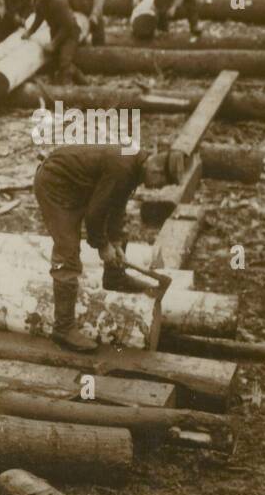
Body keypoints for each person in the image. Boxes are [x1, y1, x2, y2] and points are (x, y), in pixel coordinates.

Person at [34, 145, 177, 351]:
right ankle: (63, 329)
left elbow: (116, 204)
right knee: (68, 252)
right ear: (155, 169)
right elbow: (95, 213)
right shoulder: (124, 166)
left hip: (77, 184)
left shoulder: (136, 163)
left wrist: (116, 242)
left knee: (117, 233)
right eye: (159, 184)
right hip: (55, 185)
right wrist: (102, 246)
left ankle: (114, 278)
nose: (156, 189)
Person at [21, 0, 87, 85]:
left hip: (71, 33)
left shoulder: (58, 2)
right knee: (54, 59)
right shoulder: (39, 0)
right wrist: (30, 32)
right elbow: (39, 18)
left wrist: (54, 43)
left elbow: (67, 26)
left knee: (64, 61)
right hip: (56, 31)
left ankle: (67, 90)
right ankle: (78, 82)